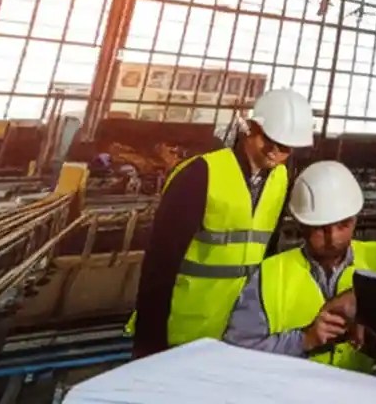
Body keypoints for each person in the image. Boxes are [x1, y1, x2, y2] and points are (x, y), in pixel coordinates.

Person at [127, 88, 315, 359]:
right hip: (185, 329)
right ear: (251, 127)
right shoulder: (200, 173)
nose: (275, 151)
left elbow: (268, 253)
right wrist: (149, 342)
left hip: (241, 332)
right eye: (269, 139)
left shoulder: (281, 180)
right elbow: (160, 264)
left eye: (285, 147)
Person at [223, 159, 376, 370]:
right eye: (321, 228)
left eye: (343, 225)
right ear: (301, 225)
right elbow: (236, 349)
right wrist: (303, 340)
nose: (333, 238)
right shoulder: (270, 275)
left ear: (355, 220)